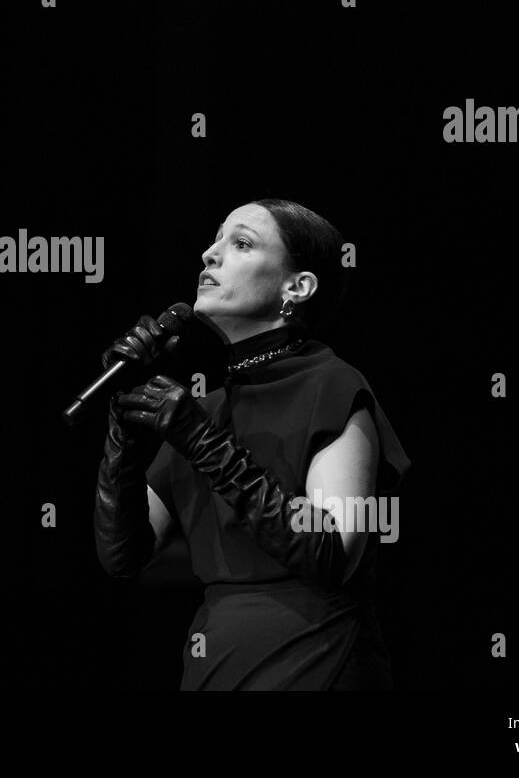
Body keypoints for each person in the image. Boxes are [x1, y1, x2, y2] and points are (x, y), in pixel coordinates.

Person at [93, 197, 412, 690]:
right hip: (216, 662)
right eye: (216, 238)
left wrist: (202, 441)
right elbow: (125, 556)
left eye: (241, 243)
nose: (209, 254)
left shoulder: (330, 384)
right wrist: (124, 433)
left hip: (316, 657)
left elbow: (329, 556)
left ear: (298, 287)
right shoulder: (203, 409)